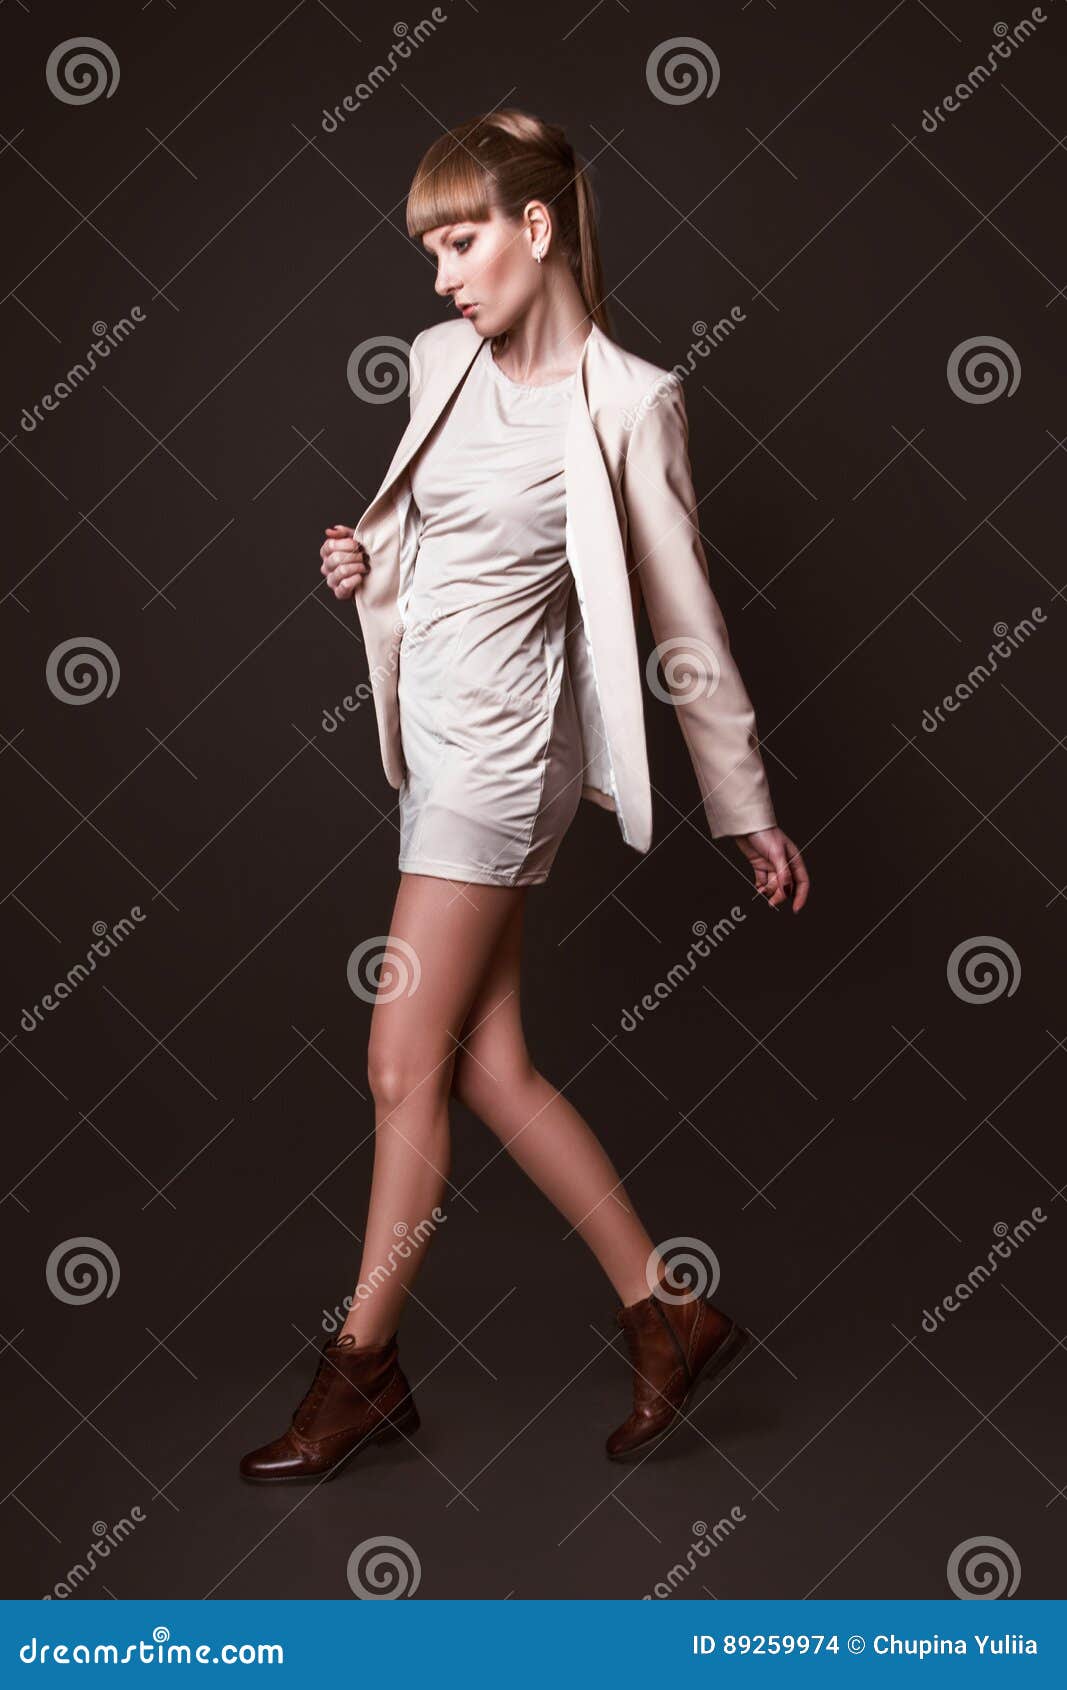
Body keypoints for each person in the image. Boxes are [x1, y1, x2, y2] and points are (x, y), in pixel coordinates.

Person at [240, 108, 810, 1484]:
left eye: (461, 239)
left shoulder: (630, 400)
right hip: (434, 741)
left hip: (504, 764)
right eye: (430, 247)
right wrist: (368, 578)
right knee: (487, 1067)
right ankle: (667, 1312)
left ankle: (359, 1369)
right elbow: (443, 557)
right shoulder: (442, 363)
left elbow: (686, 622)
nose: (439, 278)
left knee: (397, 1065)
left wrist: (744, 808)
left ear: (537, 230)